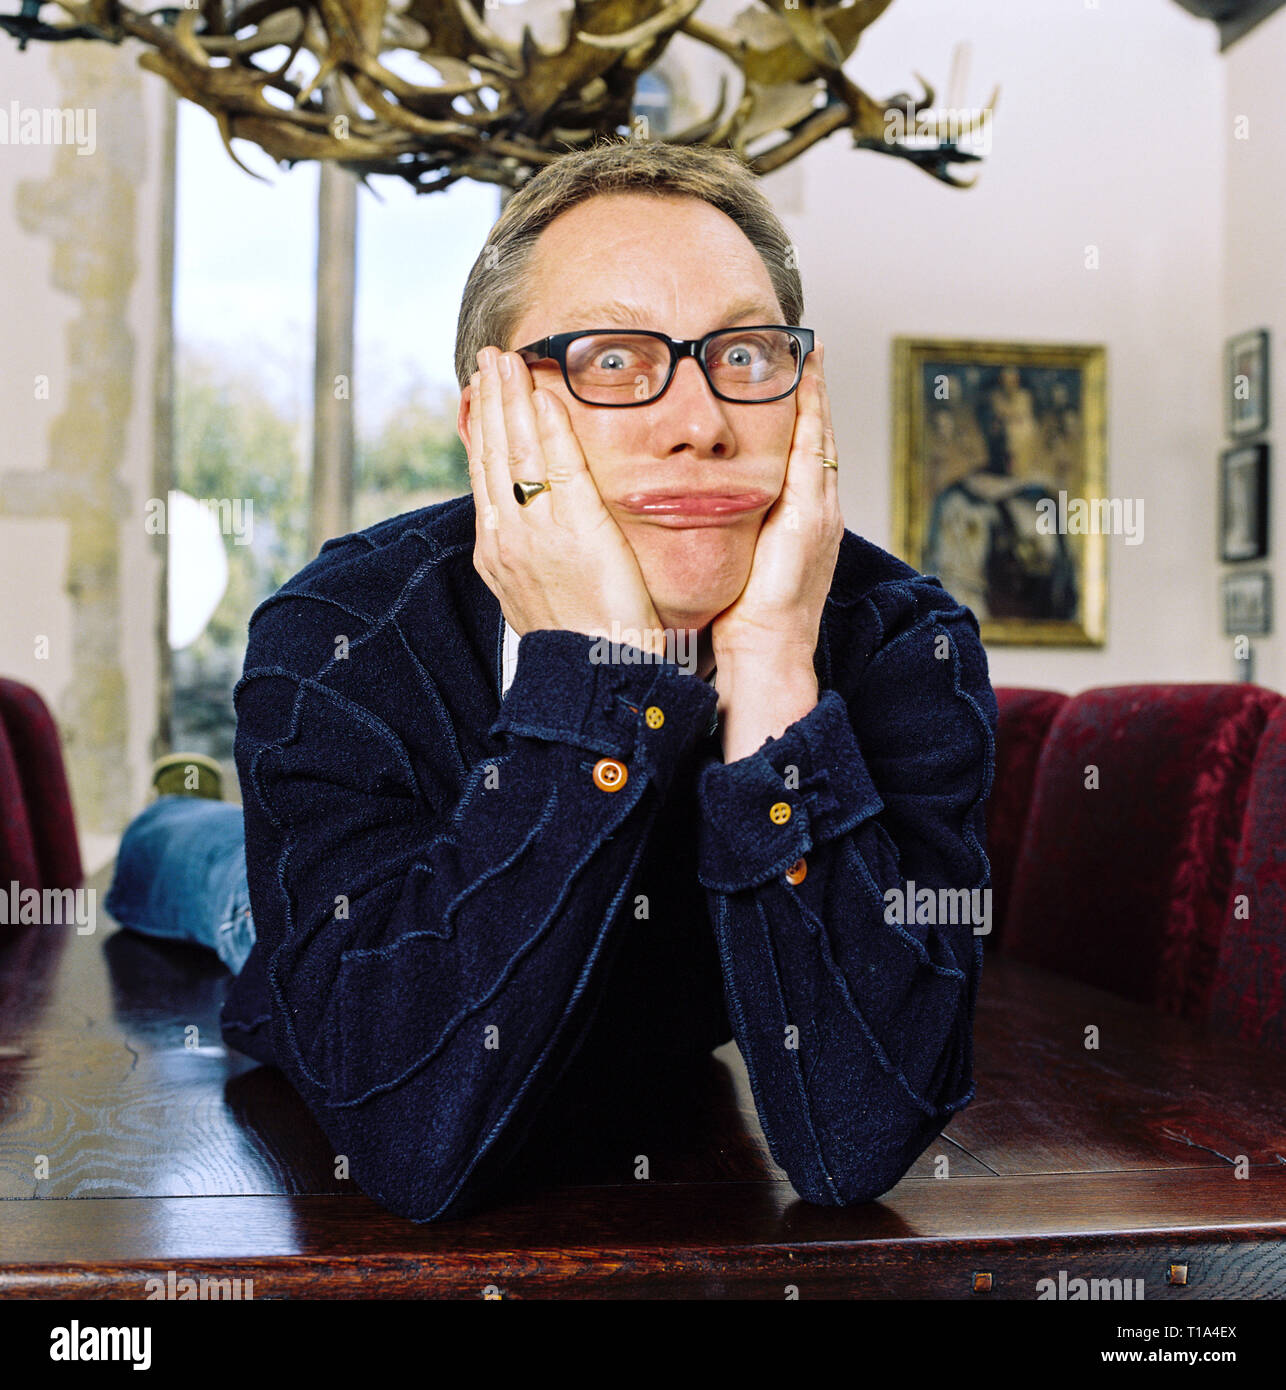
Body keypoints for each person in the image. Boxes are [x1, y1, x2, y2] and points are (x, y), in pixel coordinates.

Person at [106, 138, 997, 1224]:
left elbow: (855, 1138)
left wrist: (771, 663)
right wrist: (594, 678)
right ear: (490, 421)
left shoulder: (907, 645)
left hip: (641, 1027)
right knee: (212, 876)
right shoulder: (339, 627)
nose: (700, 423)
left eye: (745, 358)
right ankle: (178, 824)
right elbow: (405, 1133)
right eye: (611, 361)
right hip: (338, 922)